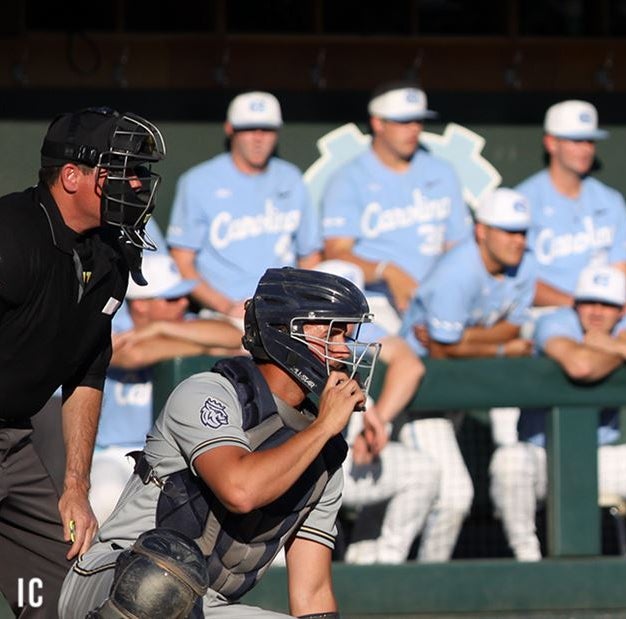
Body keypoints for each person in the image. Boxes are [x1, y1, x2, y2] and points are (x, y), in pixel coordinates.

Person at [59, 268, 379, 618]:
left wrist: (321, 433)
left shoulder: (324, 456)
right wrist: (323, 427)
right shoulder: (209, 393)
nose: (344, 352)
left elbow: (313, 595)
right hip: (114, 578)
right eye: (333, 334)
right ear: (287, 333)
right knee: (160, 581)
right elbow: (239, 490)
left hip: (205, 605)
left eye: (347, 338)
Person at [0, 106, 164, 617]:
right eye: (121, 171)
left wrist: (76, 486)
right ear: (71, 176)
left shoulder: (111, 255)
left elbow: (87, 373)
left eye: (140, 172)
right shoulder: (10, 236)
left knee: (54, 600)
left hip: (15, 442)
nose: (136, 184)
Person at [490, 266, 626, 560]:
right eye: (589, 302)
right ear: (575, 304)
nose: (596, 312)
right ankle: (528, 560)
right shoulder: (556, 322)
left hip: (601, 459)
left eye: (607, 305)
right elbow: (581, 366)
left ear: (623, 309)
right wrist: (625, 346)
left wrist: (619, 347)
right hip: (542, 458)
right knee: (508, 460)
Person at [385, 188, 537, 562]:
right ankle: (421, 581)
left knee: (421, 494)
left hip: (455, 395)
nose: (518, 240)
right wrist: (496, 347)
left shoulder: (527, 265)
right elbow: (440, 351)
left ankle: (375, 559)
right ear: (482, 231)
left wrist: (464, 339)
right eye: (508, 231)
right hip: (418, 396)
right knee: (455, 494)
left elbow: (510, 330)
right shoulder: (457, 272)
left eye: (522, 232)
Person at [92, 248, 244, 524]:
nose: (184, 304)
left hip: (173, 455)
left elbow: (233, 335)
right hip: (114, 454)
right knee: (104, 496)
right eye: (171, 299)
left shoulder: (179, 323)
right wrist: (201, 345)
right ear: (141, 304)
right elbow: (133, 355)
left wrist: (160, 330)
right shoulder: (112, 321)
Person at [308, 259, 440, 565]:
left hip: (347, 461)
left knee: (423, 472)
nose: (344, 327)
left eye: (349, 315)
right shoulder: (289, 335)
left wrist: (376, 418)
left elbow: (409, 363)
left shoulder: (359, 334)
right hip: (291, 470)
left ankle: (385, 566)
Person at [168, 91, 322, 322]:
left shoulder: (291, 178)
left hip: (284, 312)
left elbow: (310, 257)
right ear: (230, 129)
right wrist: (227, 306)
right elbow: (182, 261)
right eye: (249, 129)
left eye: (267, 129)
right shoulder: (199, 181)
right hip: (222, 313)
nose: (258, 138)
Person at [322, 81, 472, 312]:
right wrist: (386, 271)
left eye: (419, 120)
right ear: (378, 122)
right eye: (403, 121)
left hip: (437, 297)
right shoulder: (348, 179)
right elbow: (336, 253)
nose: (414, 129)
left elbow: (458, 247)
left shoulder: (442, 172)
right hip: (374, 302)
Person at [516, 100, 626, 307]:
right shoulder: (522, 202)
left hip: (607, 311)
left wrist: (620, 305)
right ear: (552, 143)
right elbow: (519, 280)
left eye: (590, 141)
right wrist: (580, 308)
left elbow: (624, 272)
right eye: (576, 141)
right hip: (548, 313)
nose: (586, 150)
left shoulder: (610, 200)